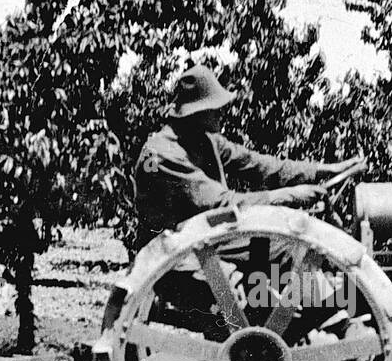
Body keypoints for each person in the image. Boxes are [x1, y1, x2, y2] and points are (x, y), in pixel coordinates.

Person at [133, 64, 362, 246]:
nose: (221, 112)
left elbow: (258, 165)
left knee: (273, 247)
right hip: (180, 251)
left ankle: (268, 301)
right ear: (197, 112)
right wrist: (289, 195)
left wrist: (325, 169)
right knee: (286, 251)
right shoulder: (163, 155)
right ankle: (265, 303)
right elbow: (222, 202)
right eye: (215, 108)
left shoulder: (202, 140)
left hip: (202, 238)